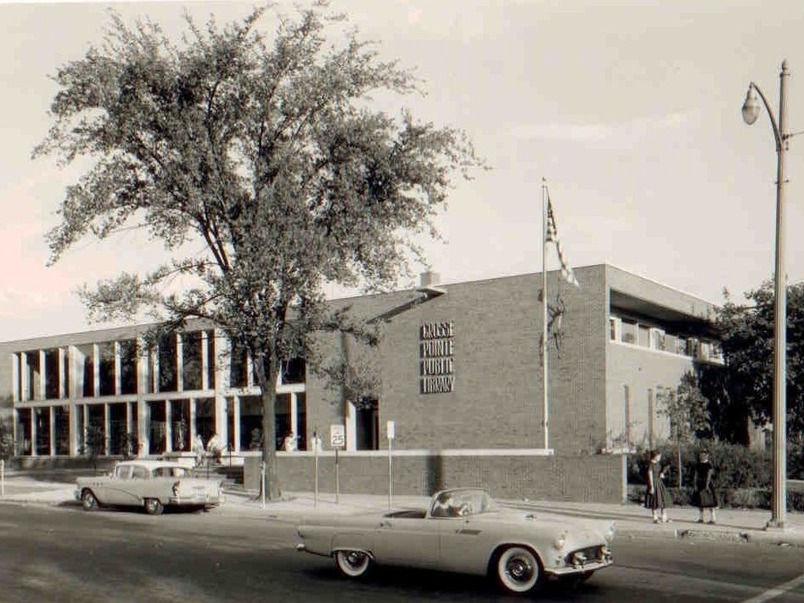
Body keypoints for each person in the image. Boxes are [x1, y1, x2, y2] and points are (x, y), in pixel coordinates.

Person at [644, 450, 672, 523]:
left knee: (663, 500)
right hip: (654, 483)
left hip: (660, 483)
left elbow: (660, 472)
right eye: (659, 456)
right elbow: (650, 476)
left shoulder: (658, 464)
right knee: (654, 501)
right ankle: (655, 518)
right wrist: (651, 487)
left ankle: (664, 517)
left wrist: (662, 474)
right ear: (655, 456)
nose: (660, 457)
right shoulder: (650, 465)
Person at [692, 451, 719, 524]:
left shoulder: (709, 465)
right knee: (700, 502)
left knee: (711, 502)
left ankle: (713, 519)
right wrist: (695, 484)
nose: (702, 457)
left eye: (703, 455)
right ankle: (701, 518)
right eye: (701, 455)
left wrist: (707, 485)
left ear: (707, 456)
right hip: (699, 484)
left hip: (707, 485)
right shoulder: (698, 465)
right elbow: (695, 475)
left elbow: (709, 475)